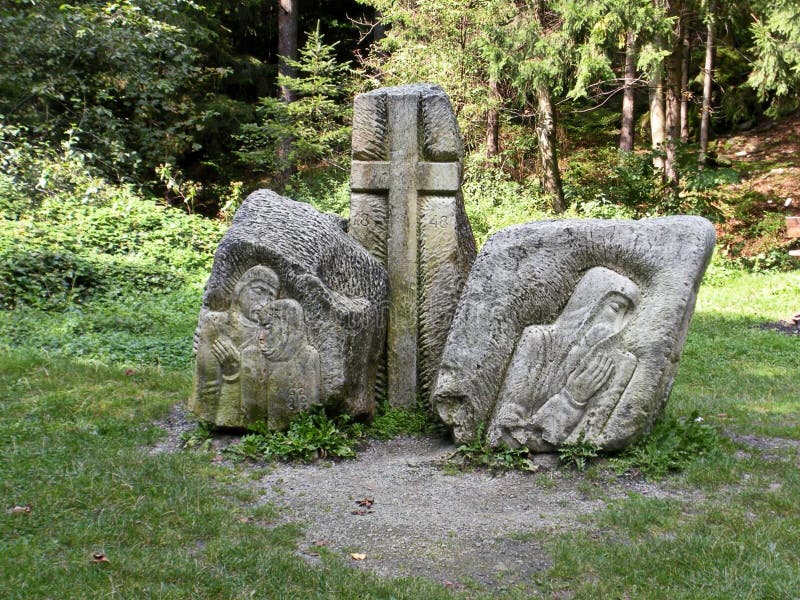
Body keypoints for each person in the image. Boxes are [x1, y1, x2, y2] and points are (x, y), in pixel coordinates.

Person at [488, 267, 639, 450]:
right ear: (591, 301)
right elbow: (503, 434)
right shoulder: (538, 341)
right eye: (615, 309)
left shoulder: (606, 364)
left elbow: (590, 438)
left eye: (626, 317)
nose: (617, 326)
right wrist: (571, 399)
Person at [190, 266, 280, 426]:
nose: (265, 302)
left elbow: (269, 394)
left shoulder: (271, 336)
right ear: (240, 290)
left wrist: (234, 373)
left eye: (271, 297)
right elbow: (206, 393)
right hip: (222, 412)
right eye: (259, 291)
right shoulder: (215, 324)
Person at [253, 299, 321, 430]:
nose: (260, 337)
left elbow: (312, 406)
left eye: (267, 327)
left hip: (301, 432)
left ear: (287, 326)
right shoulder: (258, 359)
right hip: (275, 434)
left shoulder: (308, 356)